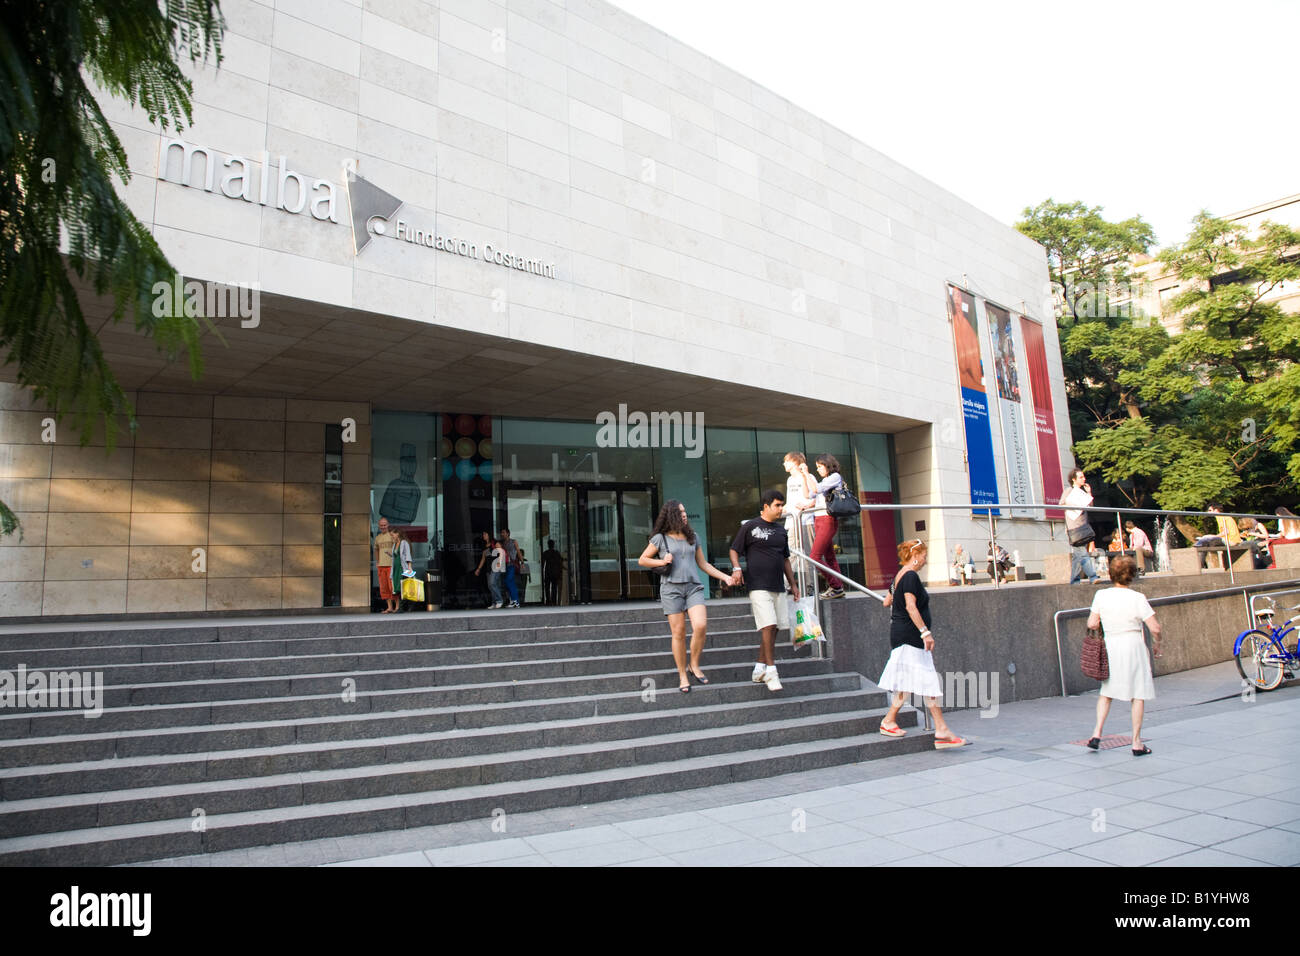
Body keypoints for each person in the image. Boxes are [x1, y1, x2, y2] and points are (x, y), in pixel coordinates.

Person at [638, 500, 735, 693]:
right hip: (671, 589)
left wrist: (725, 577)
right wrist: (661, 561)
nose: (684, 515)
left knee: (700, 625)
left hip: (693, 588)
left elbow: (703, 564)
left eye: (685, 512)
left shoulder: (693, 537)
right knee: (679, 633)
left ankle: (694, 665)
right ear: (671, 515)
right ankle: (682, 674)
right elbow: (642, 560)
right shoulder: (660, 539)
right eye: (680, 512)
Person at [878, 539, 966, 748]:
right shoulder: (910, 576)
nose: (925, 561)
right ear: (915, 555)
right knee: (927, 680)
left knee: (912, 681)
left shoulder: (899, 576)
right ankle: (940, 729)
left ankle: (891, 720)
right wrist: (925, 632)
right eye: (924, 556)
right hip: (911, 636)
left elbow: (886, 602)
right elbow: (910, 606)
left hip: (902, 635)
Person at [1085, 555, 1162, 756]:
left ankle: (1096, 733)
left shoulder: (1101, 595)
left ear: (1111, 574)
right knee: (1137, 694)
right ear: (1132, 576)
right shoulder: (1137, 598)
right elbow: (1154, 627)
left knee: (1107, 692)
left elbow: (1092, 623)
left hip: (1111, 645)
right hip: (1133, 644)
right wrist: (1157, 644)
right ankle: (1136, 742)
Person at [729, 489, 801, 693]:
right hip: (758, 585)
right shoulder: (750, 526)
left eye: (782, 505)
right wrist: (736, 568)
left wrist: (793, 584)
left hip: (778, 585)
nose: (781, 509)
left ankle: (759, 668)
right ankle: (771, 670)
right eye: (777, 505)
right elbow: (734, 549)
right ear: (766, 506)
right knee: (768, 625)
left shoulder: (780, 531)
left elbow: (785, 558)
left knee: (775, 628)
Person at [809, 453, 846, 599]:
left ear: (828, 465)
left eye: (820, 466)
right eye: (816, 467)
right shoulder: (825, 480)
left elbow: (816, 490)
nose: (818, 469)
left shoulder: (834, 477)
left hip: (827, 519)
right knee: (830, 557)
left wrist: (806, 473)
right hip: (818, 519)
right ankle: (838, 587)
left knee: (814, 557)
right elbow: (810, 495)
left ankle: (836, 586)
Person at [781, 452, 817, 592]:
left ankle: (809, 586)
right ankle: (787, 584)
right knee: (792, 553)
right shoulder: (790, 480)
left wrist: (807, 506)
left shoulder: (808, 477)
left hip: (805, 521)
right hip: (792, 521)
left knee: (806, 555)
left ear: (794, 462)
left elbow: (816, 496)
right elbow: (791, 501)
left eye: (786, 461)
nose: (784, 464)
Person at [1060, 468, 1099, 584]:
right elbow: (1062, 503)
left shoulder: (1082, 492)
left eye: (1083, 477)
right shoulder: (1069, 490)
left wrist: (1089, 492)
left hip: (1083, 526)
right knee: (1082, 552)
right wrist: (1074, 503)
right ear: (1074, 479)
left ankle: (1074, 580)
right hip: (1074, 527)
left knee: (1078, 555)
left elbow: (1090, 506)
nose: (1084, 479)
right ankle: (1093, 576)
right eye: (1081, 477)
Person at [373, 517, 399, 613]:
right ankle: (389, 607)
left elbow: (397, 547)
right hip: (381, 566)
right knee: (384, 587)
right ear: (379, 526)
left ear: (388, 525)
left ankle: (397, 607)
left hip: (391, 565)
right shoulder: (378, 538)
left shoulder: (391, 535)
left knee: (393, 587)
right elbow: (376, 549)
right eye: (381, 525)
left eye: (385, 525)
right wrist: (378, 561)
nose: (383, 527)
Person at [499, 527, 522, 608]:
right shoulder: (502, 543)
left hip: (512, 564)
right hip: (505, 566)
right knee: (511, 583)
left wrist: (522, 562)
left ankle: (515, 601)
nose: (502, 534)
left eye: (503, 532)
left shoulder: (513, 541)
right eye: (501, 533)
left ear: (508, 533)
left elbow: (518, 551)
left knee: (508, 581)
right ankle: (514, 601)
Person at [392, 527, 413, 611]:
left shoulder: (404, 543)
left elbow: (408, 555)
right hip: (396, 569)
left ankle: (401, 608)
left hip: (402, 568)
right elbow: (395, 556)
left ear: (397, 534)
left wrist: (409, 568)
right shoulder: (394, 544)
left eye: (393, 535)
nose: (392, 536)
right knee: (397, 588)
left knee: (402, 588)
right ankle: (404, 606)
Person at [541, 539, 565, 606]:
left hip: (548, 572)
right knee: (554, 587)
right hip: (555, 572)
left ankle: (548, 600)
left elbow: (542, 564)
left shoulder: (545, 553)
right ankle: (553, 600)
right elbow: (560, 562)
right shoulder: (556, 553)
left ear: (548, 545)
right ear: (553, 545)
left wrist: (542, 572)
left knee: (547, 588)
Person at [486, 537, 506, 609]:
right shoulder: (495, 550)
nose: (496, 545)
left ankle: (499, 600)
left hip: (497, 568)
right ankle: (494, 602)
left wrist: (498, 563)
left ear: (501, 545)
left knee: (492, 583)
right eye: (496, 544)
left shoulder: (501, 550)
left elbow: (501, 557)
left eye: (498, 544)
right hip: (493, 568)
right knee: (493, 585)